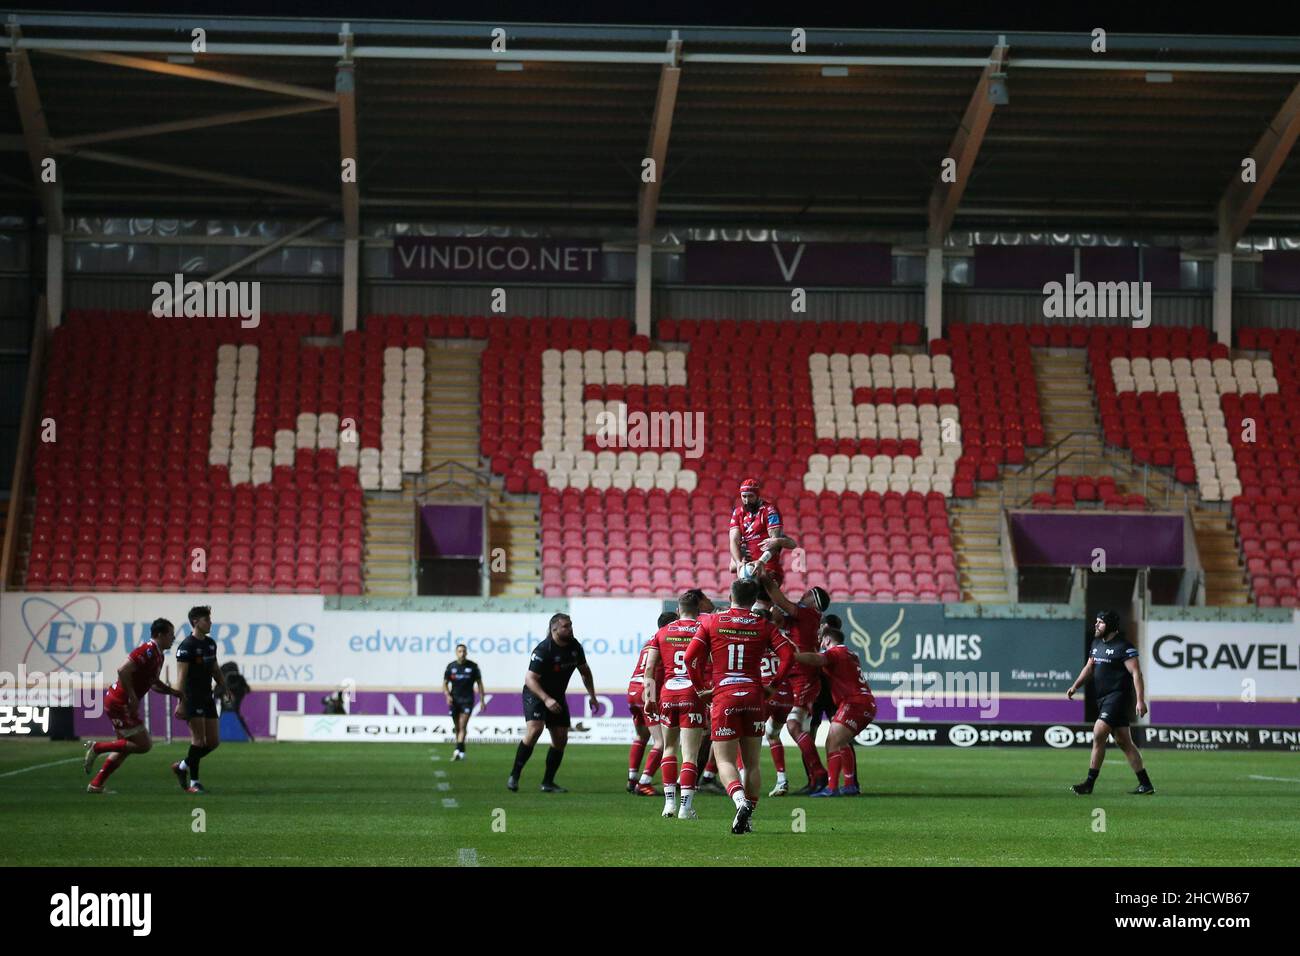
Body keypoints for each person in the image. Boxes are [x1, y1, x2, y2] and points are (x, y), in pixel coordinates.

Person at [685, 578, 796, 834]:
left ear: (730, 595)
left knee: (725, 761)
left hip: (725, 696)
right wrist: (774, 685)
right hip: (754, 696)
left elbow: (691, 657)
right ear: (755, 598)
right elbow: (788, 655)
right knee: (753, 763)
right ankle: (749, 817)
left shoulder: (712, 622)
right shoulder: (764, 625)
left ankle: (739, 802)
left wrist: (701, 688)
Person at [83, 618, 183, 793]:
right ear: (159, 635)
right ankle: (98, 747)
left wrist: (172, 692)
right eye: (170, 634)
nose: (173, 638)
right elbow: (123, 670)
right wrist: (132, 697)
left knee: (125, 747)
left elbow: (153, 683)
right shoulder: (147, 650)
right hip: (120, 702)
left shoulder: (158, 654)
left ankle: (96, 784)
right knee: (144, 745)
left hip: (119, 701)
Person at [1066, 610, 1155, 796]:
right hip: (1103, 698)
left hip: (1118, 697)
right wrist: (1075, 686)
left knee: (1098, 733)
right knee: (1124, 742)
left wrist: (1140, 700)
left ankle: (1089, 784)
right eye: (1096, 621)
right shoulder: (1096, 643)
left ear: (1111, 626)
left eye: (1101, 622)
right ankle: (1145, 784)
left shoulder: (1124, 647)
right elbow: (1089, 667)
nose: (1096, 625)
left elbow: (1136, 674)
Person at [508, 613, 598, 793]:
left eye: (571, 625)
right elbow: (530, 679)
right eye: (566, 626)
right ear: (554, 629)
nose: (570, 628)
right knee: (535, 730)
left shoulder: (575, 646)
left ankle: (547, 782)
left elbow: (585, 672)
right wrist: (546, 699)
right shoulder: (544, 650)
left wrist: (592, 696)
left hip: (557, 696)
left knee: (560, 739)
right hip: (536, 693)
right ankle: (514, 775)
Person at [759, 571, 831, 795]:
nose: (804, 594)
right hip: (792, 676)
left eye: (809, 593)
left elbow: (780, 601)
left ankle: (819, 774)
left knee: (793, 726)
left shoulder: (809, 614)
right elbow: (776, 611)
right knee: (790, 728)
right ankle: (814, 777)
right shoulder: (798, 619)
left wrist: (762, 574)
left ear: (815, 602)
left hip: (804, 675)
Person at [642, 594, 708, 819]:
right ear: (698, 609)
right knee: (690, 754)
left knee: (668, 748)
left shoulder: (662, 632)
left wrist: (649, 698)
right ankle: (685, 808)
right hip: (693, 694)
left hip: (668, 694)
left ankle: (669, 804)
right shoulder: (704, 629)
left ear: (678, 611)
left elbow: (649, 668)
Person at [793, 626, 876, 797]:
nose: (821, 643)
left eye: (822, 640)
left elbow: (818, 660)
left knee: (832, 742)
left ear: (828, 640)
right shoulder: (851, 654)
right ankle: (850, 784)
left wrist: (794, 656)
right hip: (866, 702)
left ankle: (832, 788)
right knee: (842, 742)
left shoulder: (836, 653)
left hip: (853, 703)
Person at [173, 605, 233, 795]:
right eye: (207, 619)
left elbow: (214, 668)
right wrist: (180, 701)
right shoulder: (186, 647)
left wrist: (224, 687)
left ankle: (181, 766)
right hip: (192, 698)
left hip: (207, 696)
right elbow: (181, 677)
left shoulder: (210, 643)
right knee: (198, 741)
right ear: (195, 622)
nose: (210, 623)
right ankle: (195, 782)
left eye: (210, 619)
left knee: (213, 742)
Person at [625, 612, 673, 794]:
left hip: (632, 690)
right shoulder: (667, 640)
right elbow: (652, 670)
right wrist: (651, 696)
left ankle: (632, 778)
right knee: (662, 742)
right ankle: (644, 782)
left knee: (642, 736)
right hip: (647, 691)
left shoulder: (649, 642)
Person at [729, 478, 788, 584]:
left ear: (757, 495)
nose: (747, 500)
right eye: (744, 496)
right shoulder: (738, 513)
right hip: (747, 568)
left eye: (750, 496)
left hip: (768, 568)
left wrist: (762, 561)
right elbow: (733, 540)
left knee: (762, 598)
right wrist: (738, 562)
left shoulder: (770, 510)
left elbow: (774, 541)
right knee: (736, 598)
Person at [444, 644, 485, 761]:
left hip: (467, 700)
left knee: (462, 726)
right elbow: (445, 683)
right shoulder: (451, 667)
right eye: (460, 651)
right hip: (454, 700)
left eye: (464, 651)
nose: (462, 653)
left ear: (466, 653)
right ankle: (462, 752)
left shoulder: (473, 667)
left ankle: (457, 750)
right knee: (457, 727)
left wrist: (482, 700)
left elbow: (479, 683)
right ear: (456, 653)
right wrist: (447, 695)